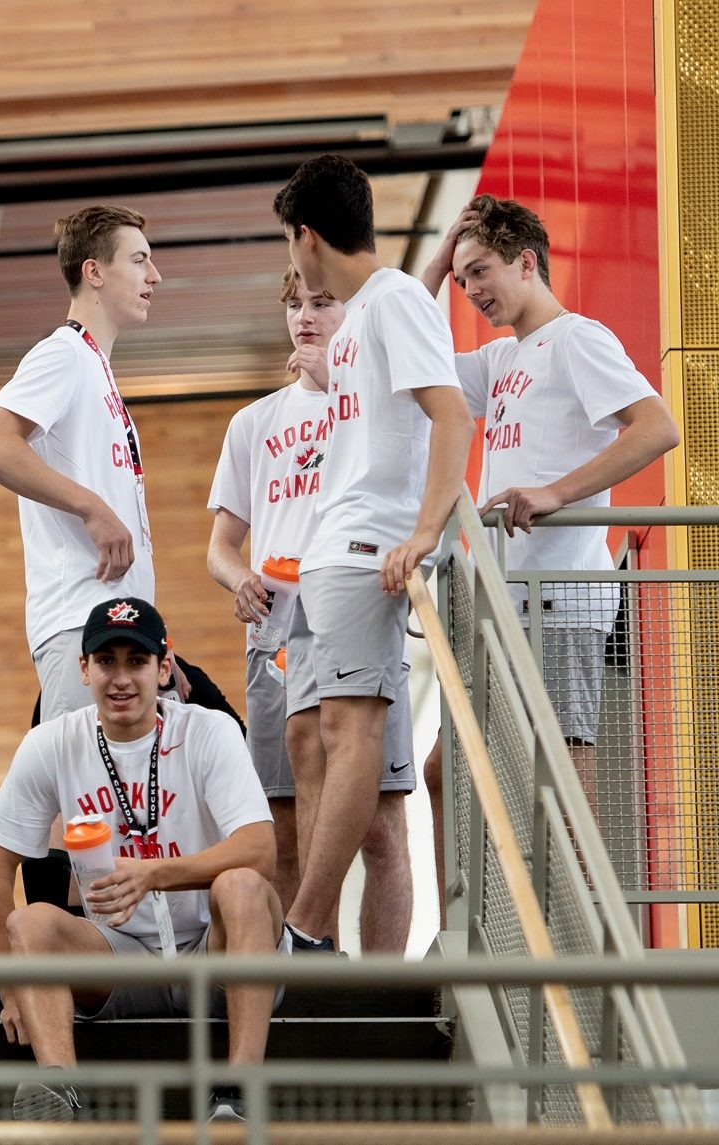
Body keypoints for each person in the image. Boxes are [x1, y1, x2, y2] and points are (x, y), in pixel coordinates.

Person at [418, 194, 679, 906]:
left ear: (527, 262)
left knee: (566, 769)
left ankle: (584, 939)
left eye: (480, 272)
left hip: (560, 595)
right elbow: (410, 349)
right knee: (444, 771)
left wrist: (558, 491)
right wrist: (441, 256)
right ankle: (466, 926)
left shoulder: (577, 339)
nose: (470, 291)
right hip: (508, 600)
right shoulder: (503, 357)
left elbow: (657, 427)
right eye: (461, 277)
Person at [0, 597, 286, 1124]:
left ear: (164, 668)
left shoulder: (209, 730)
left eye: (136, 662)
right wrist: (10, 990)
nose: (121, 678)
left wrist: (155, 874)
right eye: (106, 662)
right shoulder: (51, 742)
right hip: (120, 958)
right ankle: (59, 1091)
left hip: (217, 952)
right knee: (30, 921)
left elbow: (261, 848)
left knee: (243, 887)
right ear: (83, 669)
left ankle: (237, 1089)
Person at [271, 155, 474, 953]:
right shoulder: (369, 313)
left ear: (307, 236)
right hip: (332, 554)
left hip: (363, 553)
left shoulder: (385, 305)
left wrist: (423, 532)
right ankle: (309, 927)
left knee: (353, 737)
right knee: (321, 740)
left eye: (292, 244)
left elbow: (451, 417)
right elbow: (404, 321)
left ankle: (307, 926)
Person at [205, 267, 414, 952]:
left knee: (382, 825)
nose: (303, 316)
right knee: (284, 823)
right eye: (294, 304)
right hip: (278, 620)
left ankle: (384, 992)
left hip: (359, 599)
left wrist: (338, 378)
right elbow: (219, 546)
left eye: (321, 303)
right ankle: (304, 974)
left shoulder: (369, 403)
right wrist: (238, 579)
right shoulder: (252, 420)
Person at [0, 205, 161, 722]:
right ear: (93, 272)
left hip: (123, 625)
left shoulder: (97, 368)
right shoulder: (64, 353)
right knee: (83, 797)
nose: (155, 275)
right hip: (80, 621)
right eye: (139, 260)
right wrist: (91, 506)